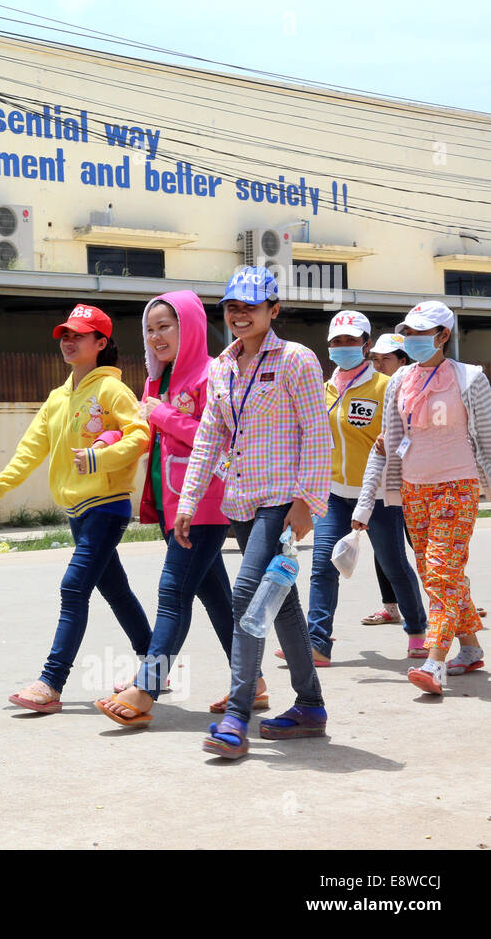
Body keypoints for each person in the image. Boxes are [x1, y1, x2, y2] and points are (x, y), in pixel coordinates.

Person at [176, 266, 332, 759]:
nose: (239, 315)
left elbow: (316, 432)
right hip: (240, 501)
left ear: (273, 310)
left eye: (250, 306)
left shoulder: (296, 360)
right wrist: (188, 500)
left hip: (282, 503)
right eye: (232, 307)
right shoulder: (220, 366)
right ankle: (310, 706)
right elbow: (209, 437)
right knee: (279, 602)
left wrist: (310, 500)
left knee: (247, 594)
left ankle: (237, 715)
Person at [0, 304, 151, 714]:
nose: (68, 342)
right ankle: (155, 667)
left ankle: (51, 682)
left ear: (101, 343)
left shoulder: (112, 391)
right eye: (64, 335)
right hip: (78, 512)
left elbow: (140, 436)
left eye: (78, 335)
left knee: (73, 588)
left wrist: (99, 460)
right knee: (117, 592)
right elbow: (30, 451)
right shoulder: (58, 398)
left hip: (107, 506)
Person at [95, 291, 244, 727]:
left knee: (172, 593)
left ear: (190, 327)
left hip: (204, 502)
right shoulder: (157, 377)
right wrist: (110, 439)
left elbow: (215, 437)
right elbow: (145, 425)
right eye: (151, 328)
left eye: (166, 326)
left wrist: (162, 415)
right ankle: (250, 681)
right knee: (215, 596)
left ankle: (148, 687)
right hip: (169, 502)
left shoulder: (212, 373)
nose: (157, 336)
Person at [354, 300, 490, 696]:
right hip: (413, 489)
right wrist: (368, 501)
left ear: (443, 336)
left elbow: (488, 439)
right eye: (408, 333)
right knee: (439, 575)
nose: (412, 339)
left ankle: (434, 662)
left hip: (457, 485)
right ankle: (471, 649)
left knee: (441, 573)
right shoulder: (400, 381)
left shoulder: (469, 378)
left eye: (421, 333)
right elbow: (387, 444)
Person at [298, 313, 426, 665]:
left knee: (394, 564)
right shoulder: (323, 389)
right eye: (337, 341)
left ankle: (417, 631)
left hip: (380, 495)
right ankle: (318, 642)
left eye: (351, 341)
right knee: (323, 565)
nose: (343, 347)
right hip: (334, 494)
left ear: (366, 345)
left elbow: (404, 440)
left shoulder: (385, 388)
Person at [362, 333, 417, 628]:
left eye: (387, 359)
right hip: (383, 481)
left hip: (417, 481)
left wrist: (397, 444)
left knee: (423, 546)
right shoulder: (370, 390)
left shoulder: (415, 390)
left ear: (403, 361)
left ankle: (455, 599)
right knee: (384, 547)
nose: (380, 364)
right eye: (376, 359)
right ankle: (390, 607)